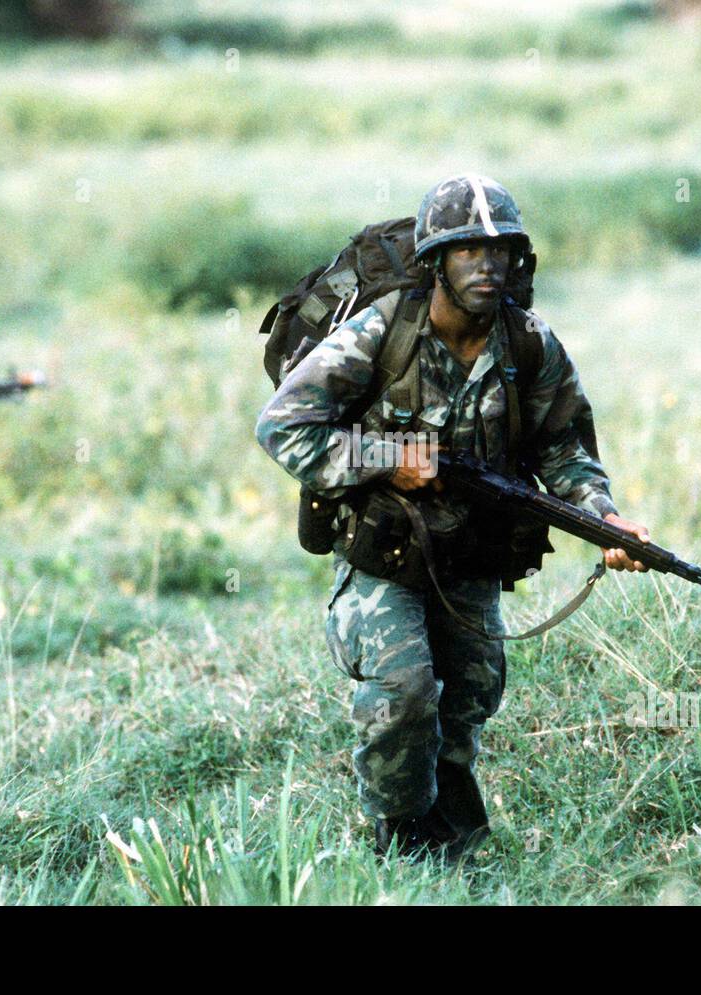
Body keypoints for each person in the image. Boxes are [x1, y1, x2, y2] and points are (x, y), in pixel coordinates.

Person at [255, 175, 652, 859]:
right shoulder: (380, 332)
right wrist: (384, 458)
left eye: (500, 252)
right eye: (468, 251)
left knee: (464, 704)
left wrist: (605, 519)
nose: (486, 266)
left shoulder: (528, 343)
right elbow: (283, 426)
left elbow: (564, 449)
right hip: (385, 550)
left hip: (472, 552)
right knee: (404, 692)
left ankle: (458, 850)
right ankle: (399, 841)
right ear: (436, 261)